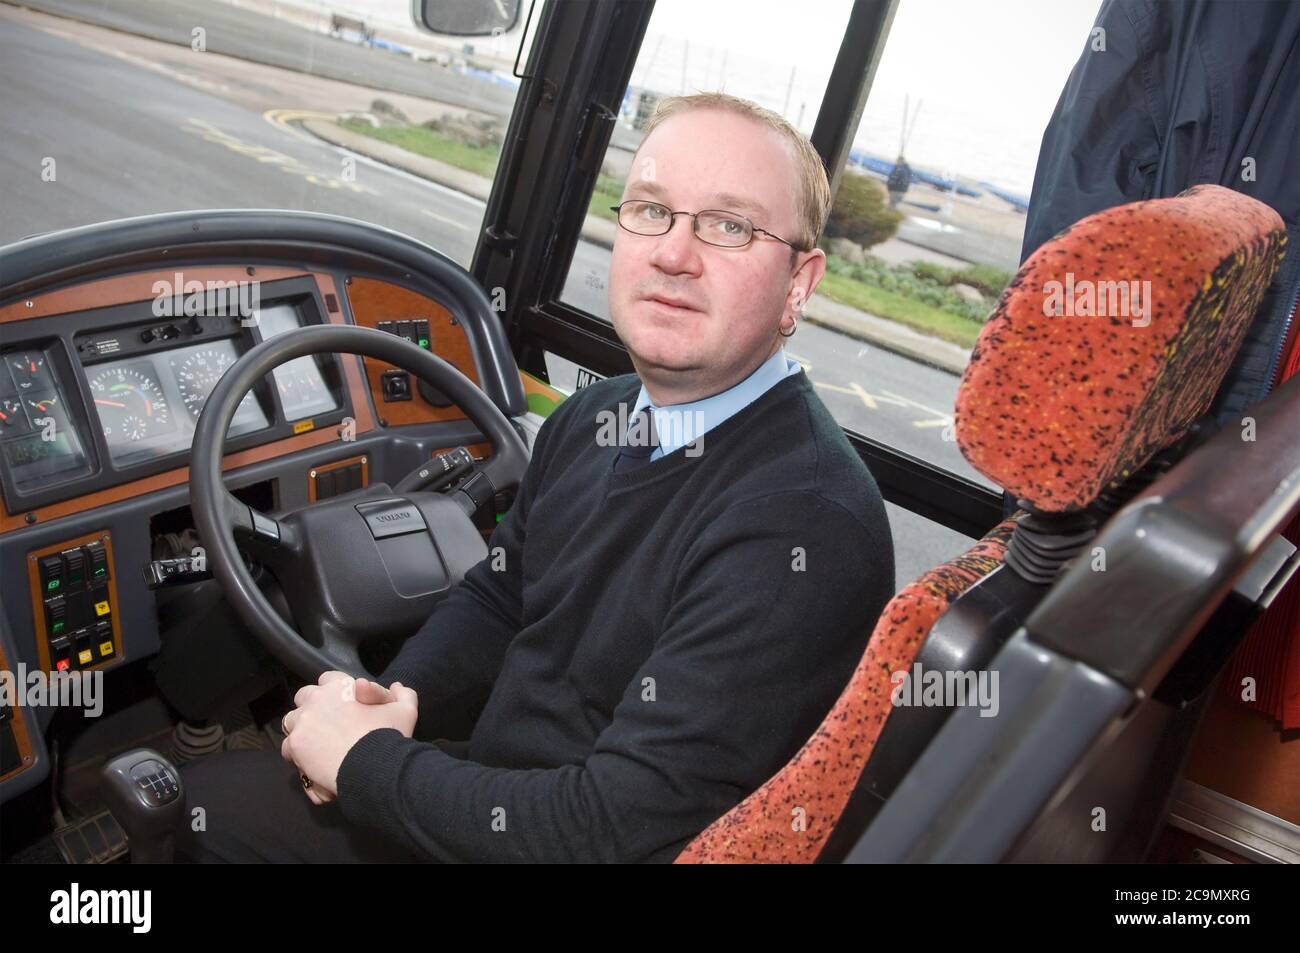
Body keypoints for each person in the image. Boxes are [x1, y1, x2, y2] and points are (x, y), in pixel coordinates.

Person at [178, 92, 895, 863]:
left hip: (562, 837)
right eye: (652, 210)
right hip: (507, 794)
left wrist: (364, 766)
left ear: (800, 282)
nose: (674, 254)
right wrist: (395, 701)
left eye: (729, 226)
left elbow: (608, 828)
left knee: (209, 809)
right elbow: (500, 594)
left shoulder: (803, 525)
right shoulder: (599, 414)